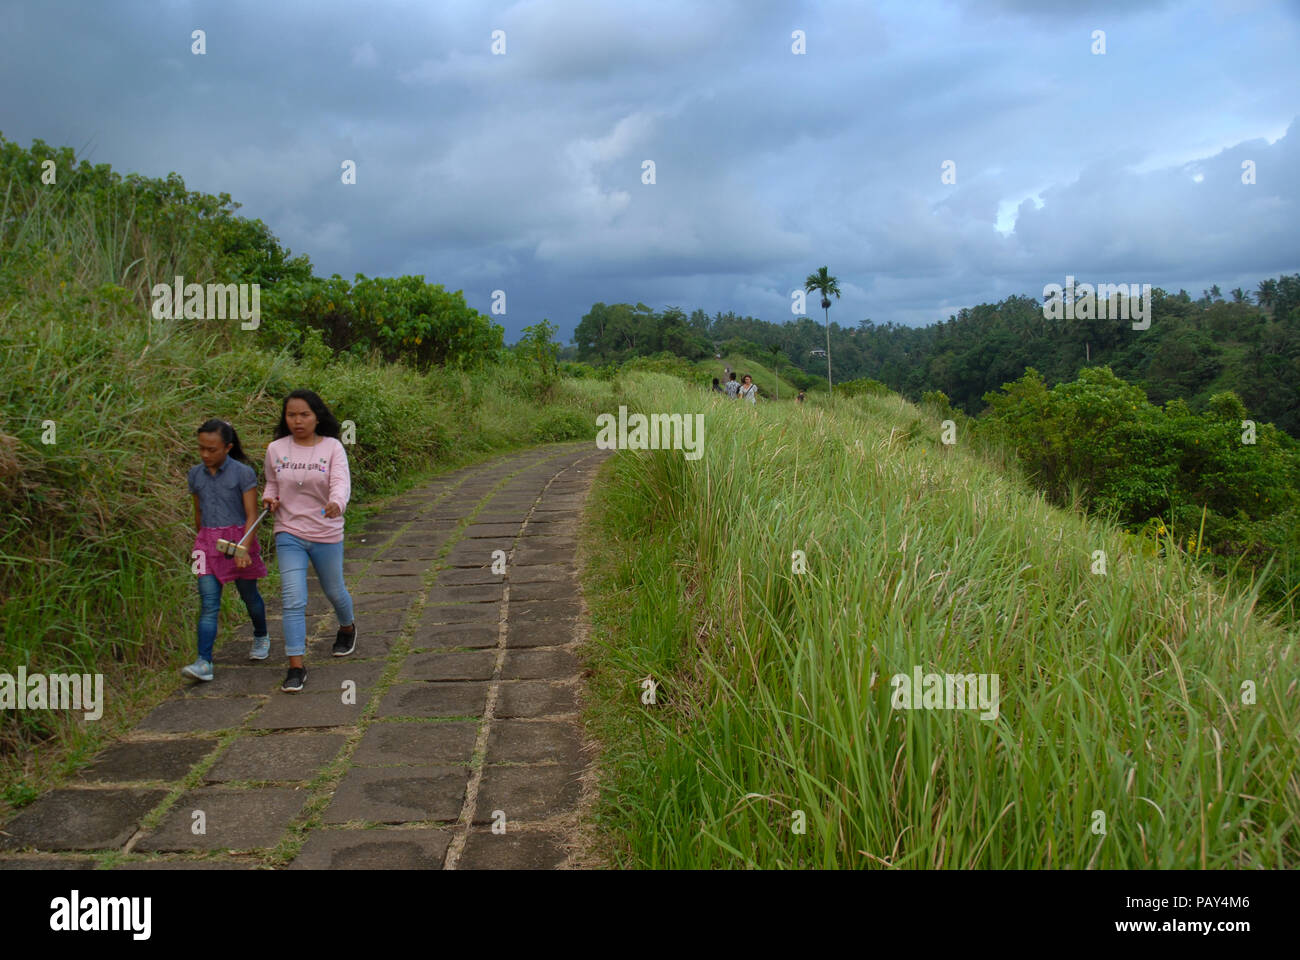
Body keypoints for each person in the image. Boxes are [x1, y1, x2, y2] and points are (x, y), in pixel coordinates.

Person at [263, 389, 356, 693]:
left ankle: (347, 627)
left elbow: (341, 483)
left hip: (326, 531)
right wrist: (270, 499)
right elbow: (272, 483)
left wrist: (336, 503)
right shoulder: (276, 448)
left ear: (317, 416)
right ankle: (295, 667)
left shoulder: (332, 448)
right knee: (292, 598)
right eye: (291, 415)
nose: (298, 421)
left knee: (334, 591)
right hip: (289, 531)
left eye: (304, 414)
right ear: (284, 417)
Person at [184, 419, 269, 682]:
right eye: (201, 449)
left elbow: (252, 514)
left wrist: (244, 548)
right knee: (209, 603)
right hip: (207, 544)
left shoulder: (243, 473)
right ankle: (204, 662)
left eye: (212, 449)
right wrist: (199, 542)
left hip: (238, 541)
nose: (205, 454)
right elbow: (198, 512)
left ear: (228, 447)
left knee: (249, 595)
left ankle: (261, 635)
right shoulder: (195, 474)